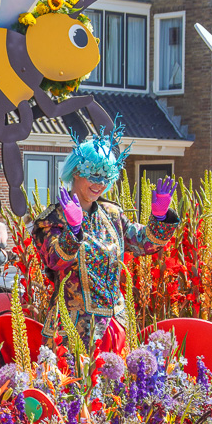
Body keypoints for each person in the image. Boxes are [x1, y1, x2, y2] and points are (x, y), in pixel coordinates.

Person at [32, 122, 177, 357]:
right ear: (76, 172)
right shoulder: (53, 219)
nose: (99, 184)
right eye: (93, 175)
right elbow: (55, 260)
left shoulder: (111, 214)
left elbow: (144, 243)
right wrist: (75, 230)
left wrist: (160, 218)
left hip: (114, 324)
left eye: (106, 177)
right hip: (73, 329)